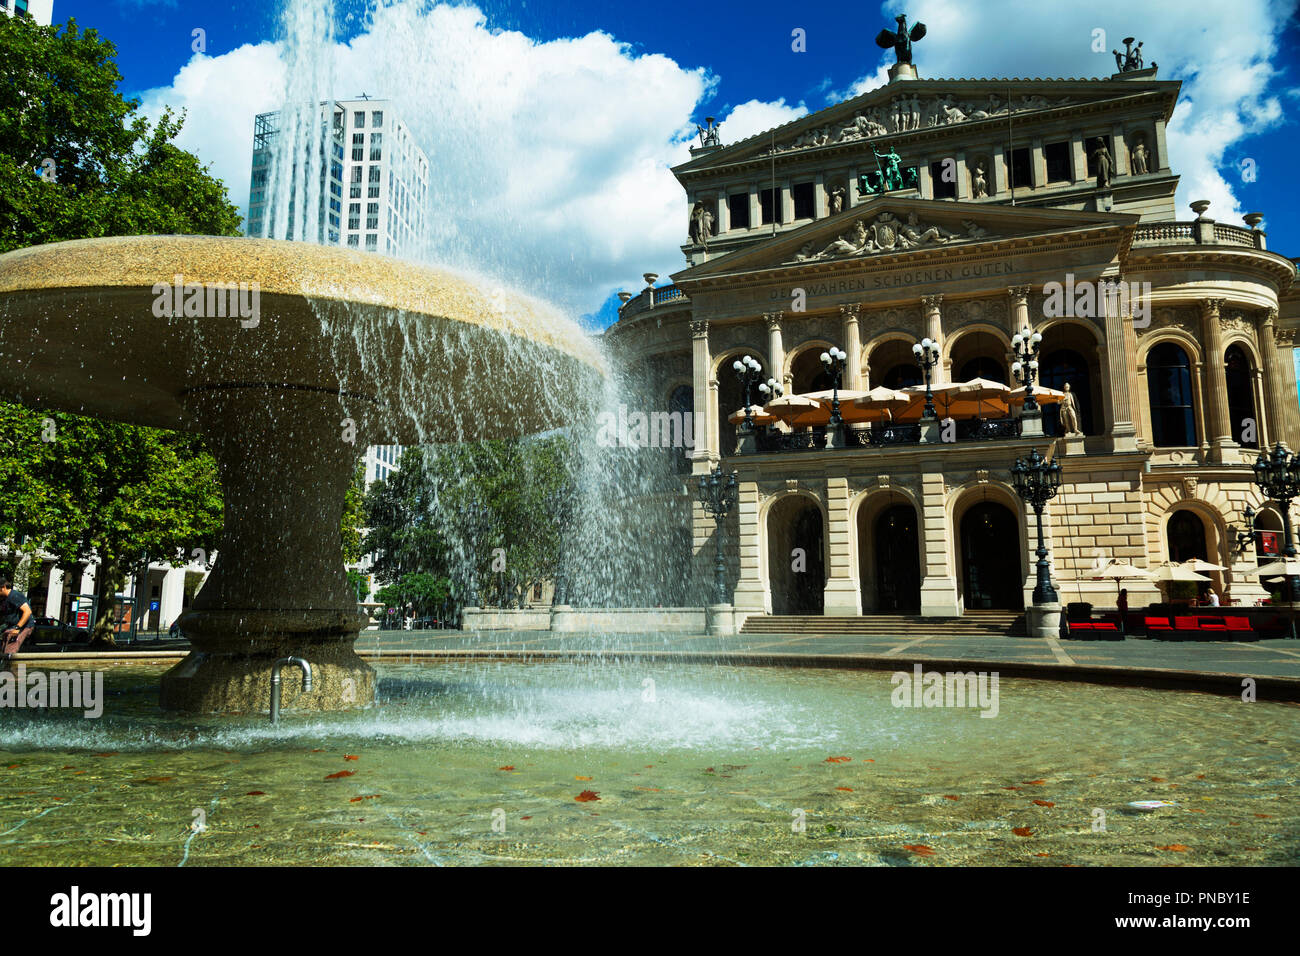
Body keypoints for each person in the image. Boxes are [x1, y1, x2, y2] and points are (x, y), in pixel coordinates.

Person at [0, 576, 34, 663]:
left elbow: (27, 611)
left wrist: (17, 628)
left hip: (24, 627)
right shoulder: (5, 599)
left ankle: (12, 673)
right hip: (12, 626)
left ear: (3, 587)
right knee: (3, 651)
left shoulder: (14, 596)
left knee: (9, 653)